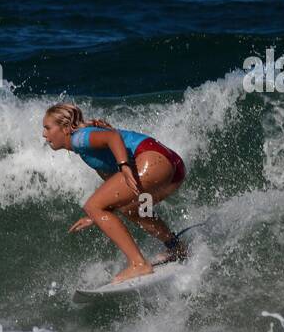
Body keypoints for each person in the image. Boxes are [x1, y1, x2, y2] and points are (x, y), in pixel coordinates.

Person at [42, 102, 188, 283]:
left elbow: (112, 137)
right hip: (171, 165)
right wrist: (95, 214)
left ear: (65, 128)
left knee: (93, 205)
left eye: (47, 128)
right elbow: (114, 191)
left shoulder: (79, 139)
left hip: (152, 159)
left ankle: (138, 264)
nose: (44, 134)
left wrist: (124, 166)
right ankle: (175, 247)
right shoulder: (87, 151)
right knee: (130, 209)